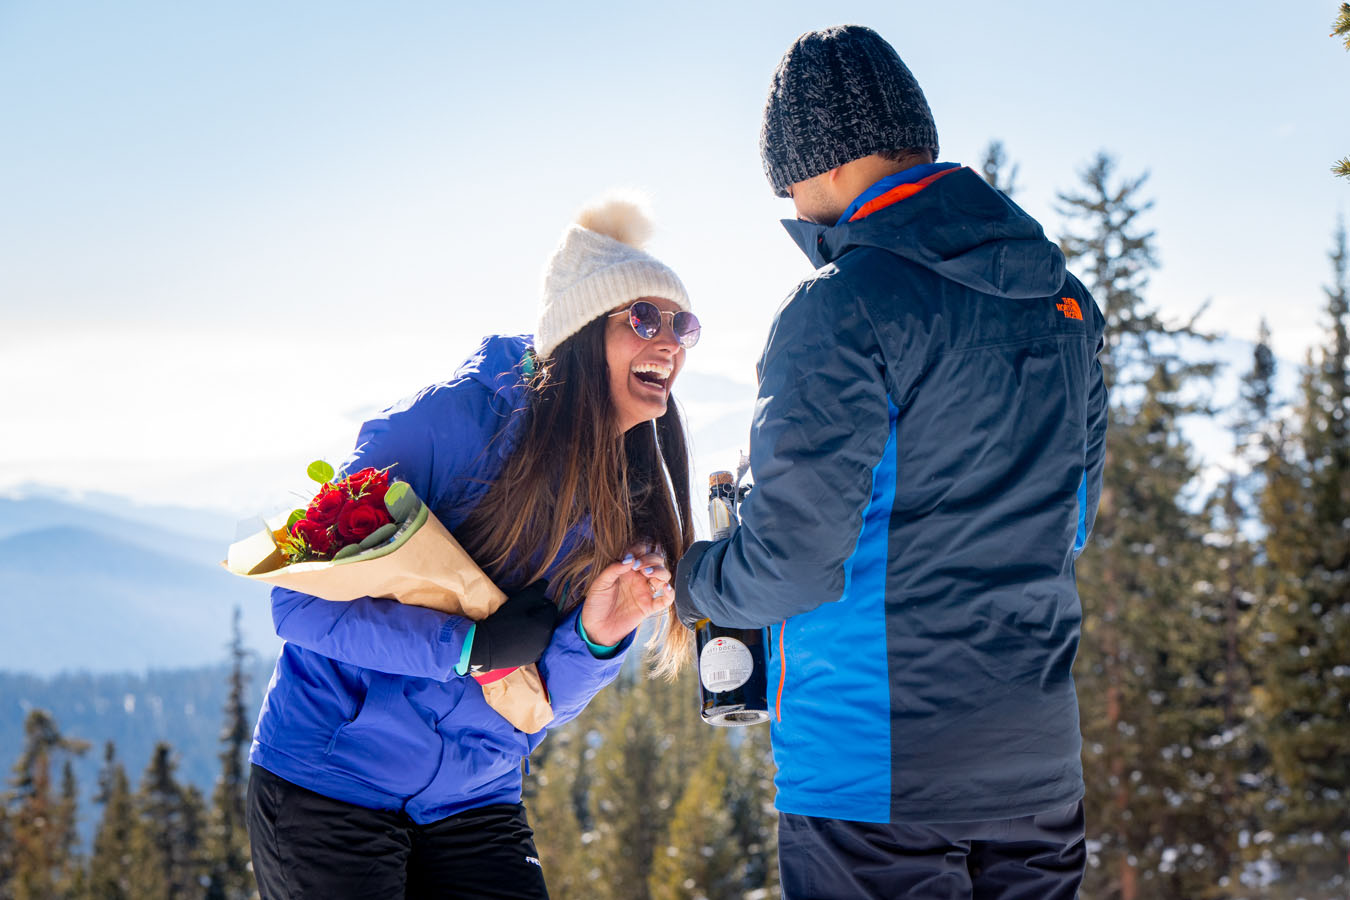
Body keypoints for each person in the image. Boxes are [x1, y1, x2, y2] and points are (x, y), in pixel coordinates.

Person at [674, 25, 1107, 900]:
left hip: (877, 774)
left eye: (788, 180)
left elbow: (791, 563)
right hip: (1038, 770)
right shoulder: (1065, 304)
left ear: (825, 163)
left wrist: (695, 580)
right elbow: (1075, 519)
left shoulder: (841, 307)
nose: (792, 204)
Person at [246, 195, 701, 900]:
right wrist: (465, 648)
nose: (669, 340)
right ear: (581, 333)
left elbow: (538, 702)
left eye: (683, 324)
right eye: (643, 318)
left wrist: (598, 636)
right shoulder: (447, 427)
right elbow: (299, 604)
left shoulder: (626, 492)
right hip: (329, 781)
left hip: (473, 797)